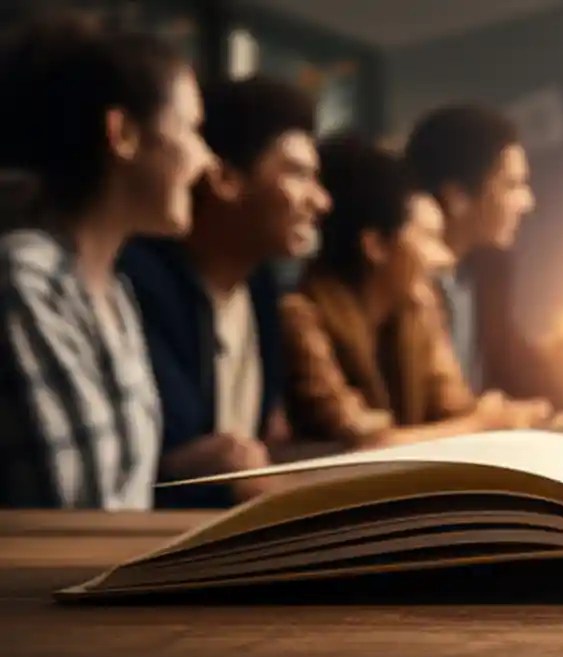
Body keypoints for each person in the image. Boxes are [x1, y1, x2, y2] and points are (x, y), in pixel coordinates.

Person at [0, 17, 211, 508]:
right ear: (123, 134)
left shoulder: (114, 290)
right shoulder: (26, 279)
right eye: (191, 130)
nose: (205, 160)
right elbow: (78, 508)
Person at [118, 77, 331, 507]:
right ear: (225, 178)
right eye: (297, 174)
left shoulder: (261, 288)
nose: (321, 201)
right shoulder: (138, 283)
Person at [281, 135, 563, 448]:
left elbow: (456, 408)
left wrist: (501, 418)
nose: (443, 258)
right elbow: (363, 443)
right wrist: (484, 423)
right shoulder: (299, 317)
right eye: (426, 238)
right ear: (375, 246)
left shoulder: (414, 313)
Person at [404, 105, 563, 409]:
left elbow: (520, 366)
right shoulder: (402, 280)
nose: (527, 202)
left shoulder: (487, 270)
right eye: (512, 185)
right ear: (457, 196)